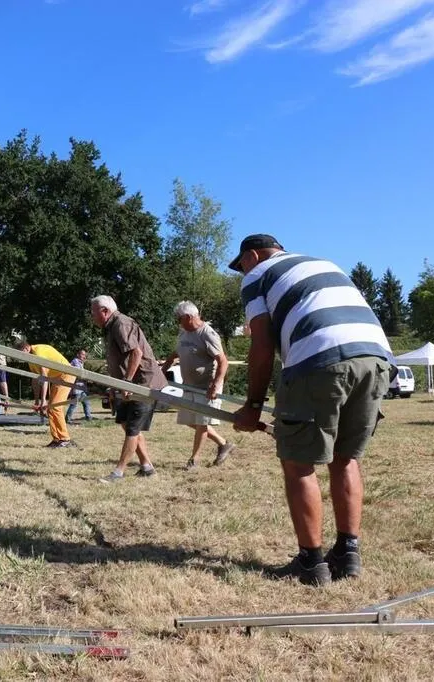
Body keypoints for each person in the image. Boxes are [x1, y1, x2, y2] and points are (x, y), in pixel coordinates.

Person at [230, 234, 392, 587]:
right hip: (375, 356)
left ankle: (310, 562)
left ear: (253, 255)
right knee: (346, 458)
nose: (240, 271)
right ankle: (347, 554)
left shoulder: (257, 275)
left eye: (240, 264)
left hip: (318, 358)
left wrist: (253, 405)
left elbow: (261, 344)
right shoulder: (323, 263)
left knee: (299, 463)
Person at [91, 295, 167, 481]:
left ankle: (118, 472)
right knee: (125, 422)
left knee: (133, 427)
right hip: (129, 383)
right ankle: (147, 467)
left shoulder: (121, 323)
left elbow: (136, 352)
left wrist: (126, 381)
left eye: (93, 313)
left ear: (105, 311)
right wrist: (115, 384)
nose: (92, 317)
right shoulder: (112, 327)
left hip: (143, 383)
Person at [162, 301, 235, 470]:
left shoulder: (207, 334)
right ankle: (224, 443)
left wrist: (216, 384)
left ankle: (194, 460)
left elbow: (223, 361)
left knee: (201, 423)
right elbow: (174, 354)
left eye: (179, 319)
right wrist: (161, 371)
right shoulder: (183, 333)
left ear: (188, 317)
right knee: (189, 420)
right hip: (189, 386)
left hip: (207, 388)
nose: (178, 323)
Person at [13, 338, 74, 448]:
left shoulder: (38, 353)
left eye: (20, 353)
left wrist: (43, 400)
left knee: (56, 407)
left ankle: (65, 439)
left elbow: (44, 377)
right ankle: (56, 439)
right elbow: (36, 380)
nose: (20, 358)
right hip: (56, 378)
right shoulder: (30, 360)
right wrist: (37, 401)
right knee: (51, 409)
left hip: (66, 374)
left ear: (26, 348)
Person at [65, 349, 94, 424]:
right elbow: (79, 374)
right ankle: (67, 419)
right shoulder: (75, 362)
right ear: (78, 354)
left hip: (82, 387)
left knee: (86, 403)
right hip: (77, 387)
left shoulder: (81, 363)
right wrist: (88, 379)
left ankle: (88, 417)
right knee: (74, 404)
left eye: (85, 355)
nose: (84, 356)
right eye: (83, 354)